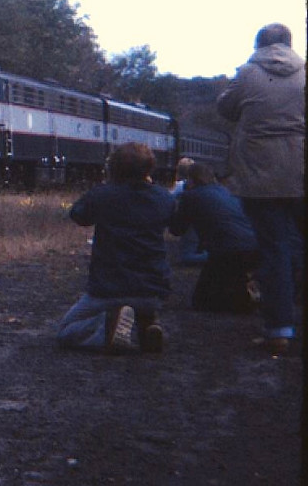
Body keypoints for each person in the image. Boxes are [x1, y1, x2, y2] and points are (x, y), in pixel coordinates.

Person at [217, 23, 305, 356]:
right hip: (300, 170)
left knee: (274, 250)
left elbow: (225, 109)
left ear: (259, 44)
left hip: (260, 175)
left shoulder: (248, 72)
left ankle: (279, 329)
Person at [57, 142, 176, 354]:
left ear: (113, 168)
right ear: (149, 169)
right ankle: (145, 325)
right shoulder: (164, 198)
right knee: (143, 307)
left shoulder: (103, 195)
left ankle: (110, 324)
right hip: (153, 290)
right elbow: (177, 226)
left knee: (67, 331)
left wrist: (105, 186)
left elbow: (79, 215)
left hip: (109, 289)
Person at [171, 162, 259, 312]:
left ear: (191, 180)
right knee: (229, 277)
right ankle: (244, 296)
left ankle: (241, 302)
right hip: (254, 247)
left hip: (226, 252)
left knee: (201, 301)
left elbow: (177, 229)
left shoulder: (190, 196)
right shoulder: (226, 192)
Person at [171, 157, 208, 266]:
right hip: (205, 225)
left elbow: (170, 198)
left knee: (186, 256)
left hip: (191, 224)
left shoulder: (180, 186)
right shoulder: (206, 187)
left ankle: (213, 256)